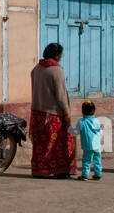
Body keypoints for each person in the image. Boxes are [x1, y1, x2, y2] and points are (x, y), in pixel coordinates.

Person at [30, 42, 74, 178]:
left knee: (41, 144)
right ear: (56, 55)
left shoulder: (36, 68)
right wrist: (66, 114)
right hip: (53, 114)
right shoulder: (56, 70)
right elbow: (61, 96)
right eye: (60, 54)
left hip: (37, 111)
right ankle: (59, 170)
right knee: (58, 143)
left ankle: (40, 170)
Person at [77, 100, 103, 181]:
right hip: (97, 145)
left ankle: (85, 175)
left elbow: (76, 131)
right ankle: (98, 174)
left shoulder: (81, 122)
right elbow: (100, 132)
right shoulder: (96, 121)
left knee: (87, 160)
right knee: (97, 160)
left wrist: (69, 129)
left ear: (82, 111)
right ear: (94, 111)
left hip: (88, 145)